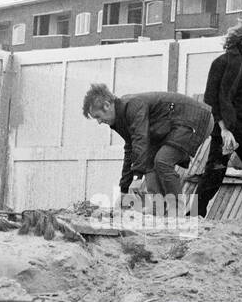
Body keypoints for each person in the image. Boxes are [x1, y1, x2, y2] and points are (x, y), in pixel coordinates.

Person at [82, 84, 214, 212]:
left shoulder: (133, 106)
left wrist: (137, 178)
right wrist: (124, 190)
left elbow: (141, 139)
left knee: (162, 161)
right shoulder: (120, 119)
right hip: (174, 126)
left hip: (196, 118)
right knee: (150, 163)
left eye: (98, 116)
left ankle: (177, 210)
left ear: (106, 105)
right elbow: (131, 151)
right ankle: (158, 208)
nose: (99, 122)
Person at [194, 16, 242, 222]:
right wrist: (224, 130)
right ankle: (193, 215)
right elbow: (211, 99)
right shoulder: (222, 62)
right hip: (225, 131)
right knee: (213, 176)